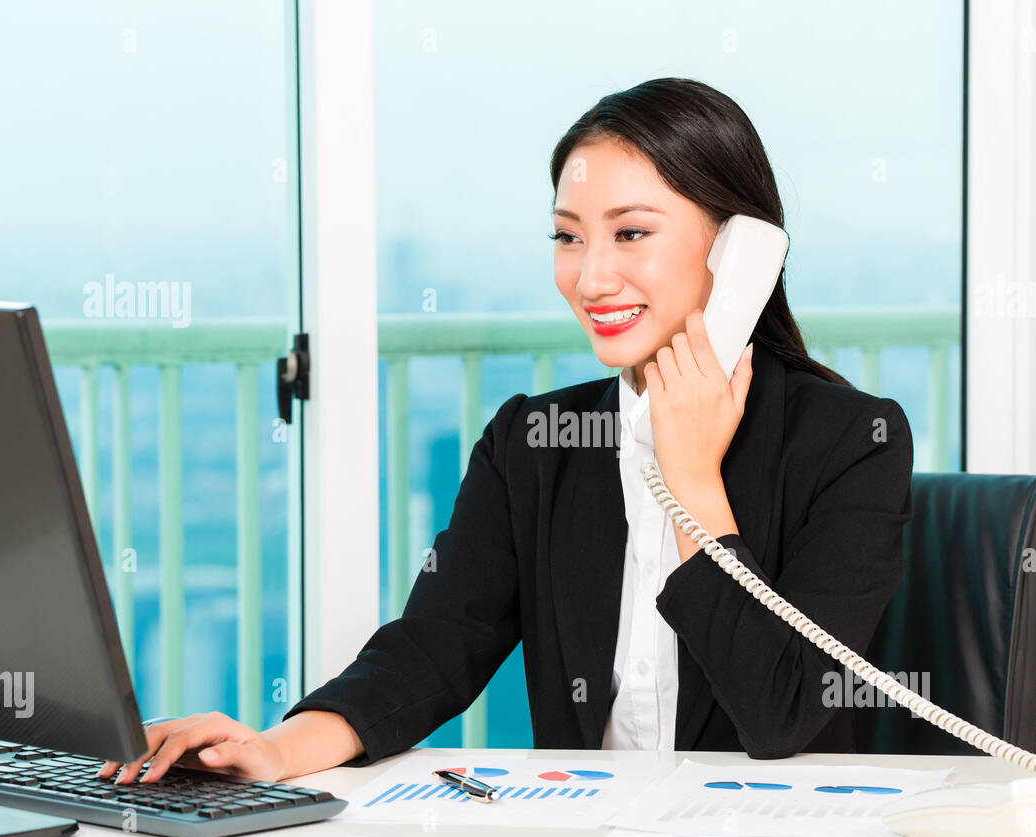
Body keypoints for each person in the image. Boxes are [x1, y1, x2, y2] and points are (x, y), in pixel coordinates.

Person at [99, 77, 913, 786]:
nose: (590, 277)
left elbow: (779, 710)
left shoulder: (852, 443)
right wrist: (273, 751)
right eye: (568, 236)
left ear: (742, 251)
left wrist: (692, 477)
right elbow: (434, 647)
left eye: (631, 233)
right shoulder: (536, 443)